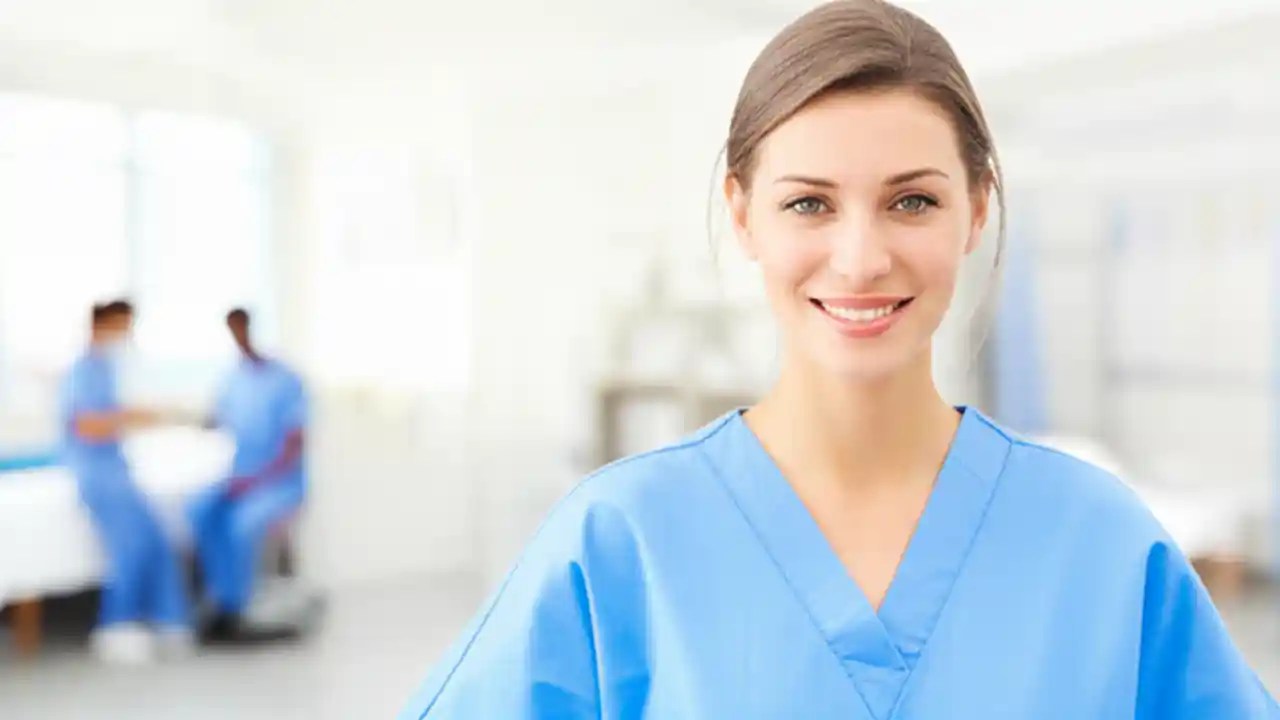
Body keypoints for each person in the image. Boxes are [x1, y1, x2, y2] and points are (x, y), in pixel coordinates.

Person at [399, 2, 1279, 718]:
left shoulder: (1098, 543)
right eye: (811, 204)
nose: (860, 259)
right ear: (742, 215)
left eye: (911, 201)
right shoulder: (622, 542)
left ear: (977, 210)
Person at [59, 299, 193, 664]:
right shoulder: (81, 371)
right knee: (130, 545)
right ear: (102, 324)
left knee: (157, 539)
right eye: (123, 326)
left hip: (117, 470)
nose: (127, 335)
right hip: (97, 474)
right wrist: (133, 416)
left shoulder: (105, 369)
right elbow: (87, 425)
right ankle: (115, 625)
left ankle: (170, 620)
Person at [188, 308, 307, 641]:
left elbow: (294, 444)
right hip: (239, 478)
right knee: (200, 510)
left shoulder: (285, 378)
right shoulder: (232, 379)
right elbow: (215, 419)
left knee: (242, 524)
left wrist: (256, 480)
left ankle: (243, 607)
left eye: (241, 329)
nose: (238, 337)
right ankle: (224, 601)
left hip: (278, 482)